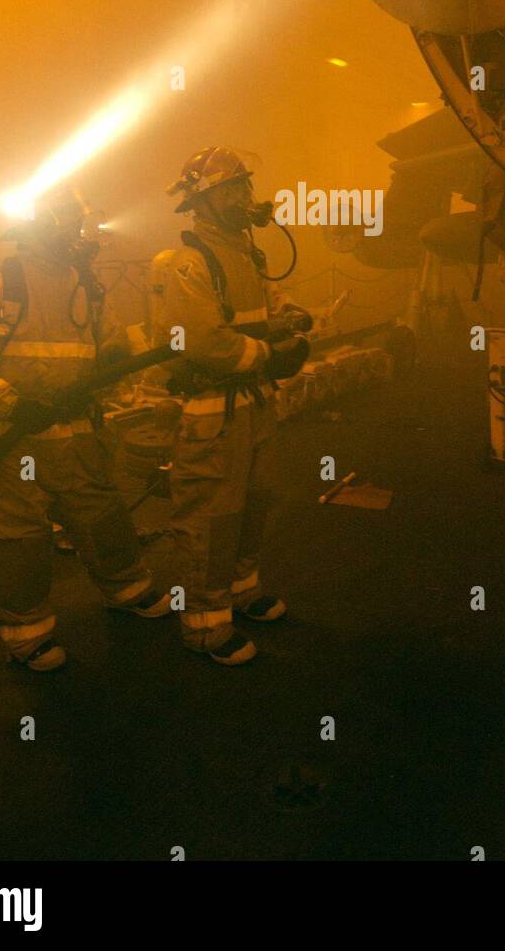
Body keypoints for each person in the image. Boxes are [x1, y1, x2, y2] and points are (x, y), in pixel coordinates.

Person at [0, 187, 170, 672]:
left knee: (101, 513)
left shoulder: (85, 283)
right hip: (9, 444)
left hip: (75, 435)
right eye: (67, 222)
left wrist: (130, 360)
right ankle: (27, 634)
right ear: (44, 224)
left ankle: (126, 588)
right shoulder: (3, 283)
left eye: (78, 222)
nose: (75, 232)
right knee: (20, 537)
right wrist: (11, 402)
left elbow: (110, 348)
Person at [149, 147, 311, 666]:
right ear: (204, 200)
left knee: (255, 502)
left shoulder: (244, 252)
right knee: (211, 517)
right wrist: (269, 352)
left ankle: (242, 590)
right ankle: (203, 622)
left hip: (256, 404)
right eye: (232, 189)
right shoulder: (189, 263)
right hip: (211, 413)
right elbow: (202, 341)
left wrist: (291, 318)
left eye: (245, 186)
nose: (245, 197)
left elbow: (268, 302)